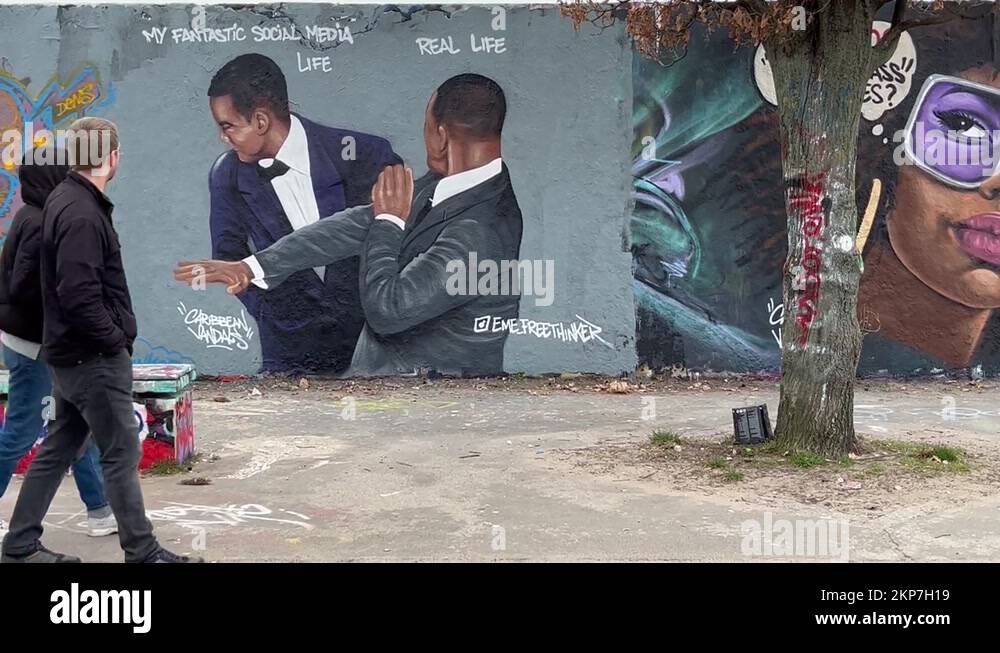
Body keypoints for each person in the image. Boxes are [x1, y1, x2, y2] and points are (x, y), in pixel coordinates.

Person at [178, 74, 523, 377]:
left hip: (427, 405)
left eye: (427, 126)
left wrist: (389, 222)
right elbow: (353, 226)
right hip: (385, 390)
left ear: (441, 135)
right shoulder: (442, 185)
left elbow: (388, 310)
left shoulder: (480, 230)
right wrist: (253, 266)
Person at [1, 118, 200, 563]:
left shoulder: (64, 201)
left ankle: (18, 546)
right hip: (91, 359)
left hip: (69, 357)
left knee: (58, 448)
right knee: (120, 451)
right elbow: (78, 293)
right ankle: (143, 552)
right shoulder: (82, 213)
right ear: (111, 158)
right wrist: (114, 339)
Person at [208, 53, 402, 374]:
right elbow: (229, 256)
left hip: (371, 356)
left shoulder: (366, 154)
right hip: (288, 358)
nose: (222, 138)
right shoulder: (226, 174)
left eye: (228, 126)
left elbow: (400, 236)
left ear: (260, 121)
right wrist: (272, 312)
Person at [0, 147, 117, 538]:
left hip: (43, 344)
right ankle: (100, 510)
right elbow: (22, 289)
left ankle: (100, 511)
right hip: (33, 347)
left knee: (75, 424)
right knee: (21, 430)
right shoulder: (37, 222)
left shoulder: (39, 216)